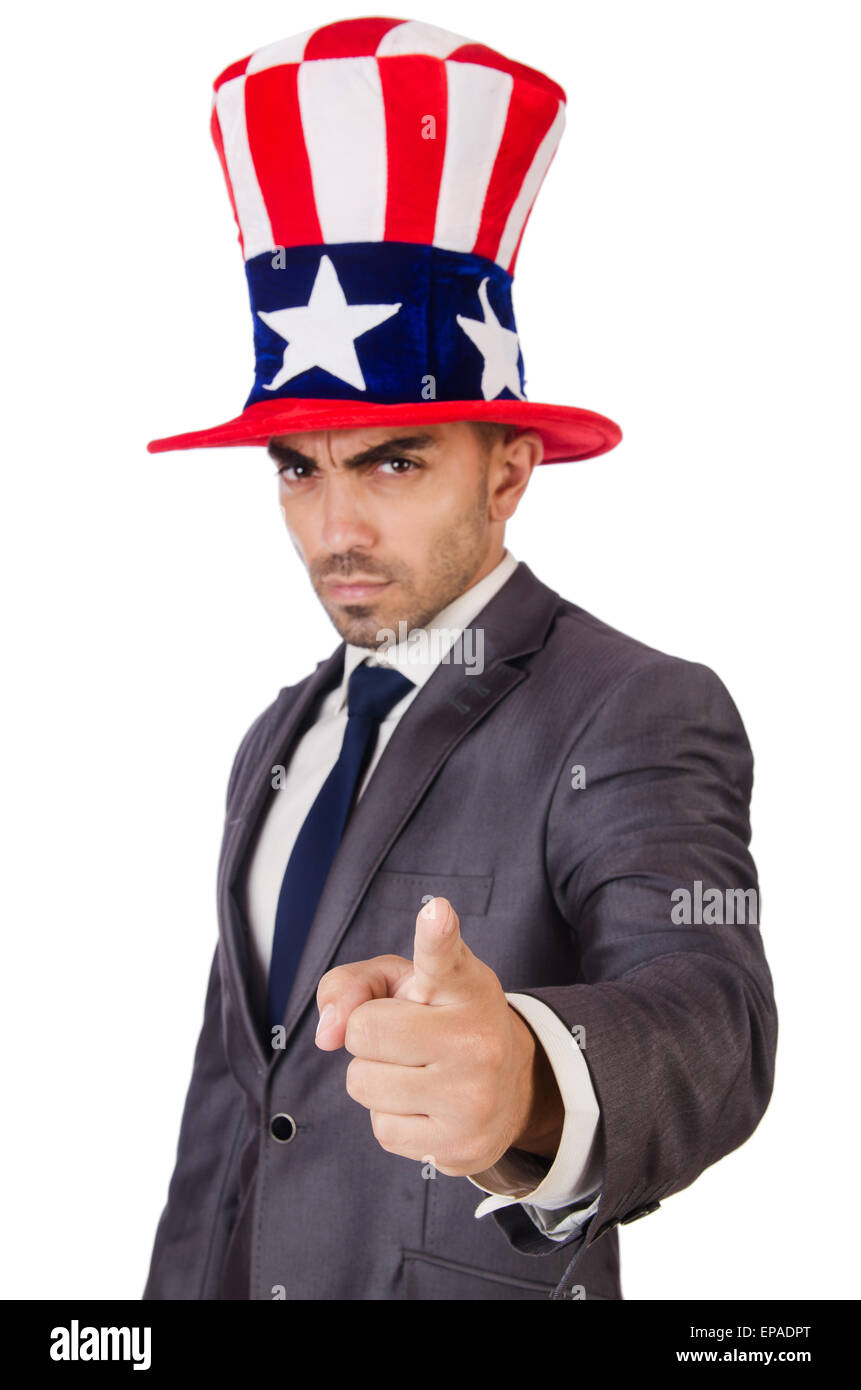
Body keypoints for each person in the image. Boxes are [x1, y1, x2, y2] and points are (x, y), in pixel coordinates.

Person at [143, 17, 777, 1301]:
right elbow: (235, 1111)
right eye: (299, 469)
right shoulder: (275, 738)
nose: (337, 527)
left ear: (509, 468)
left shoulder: (635, 707)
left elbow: (713, 1013)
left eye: (392, 459)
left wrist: (530, 1080)